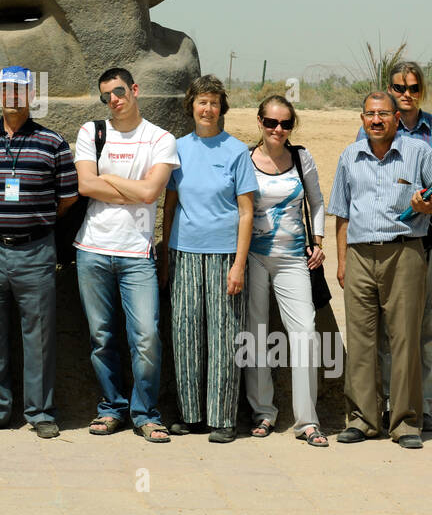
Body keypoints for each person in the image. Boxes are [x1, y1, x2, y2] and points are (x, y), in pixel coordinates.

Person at [329, 91, 432, 449]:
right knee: (361, 340)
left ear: (397, 118)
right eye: (370, 114)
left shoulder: (418, 153)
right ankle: (363, 419)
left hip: (405, 254)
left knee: (404, 339)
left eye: (384, 114)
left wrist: (429, 204)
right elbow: (341, 212)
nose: (376, 120)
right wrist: (342, 262)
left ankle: (405, 422)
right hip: (360, 256)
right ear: (362, 118)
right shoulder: (349, 157)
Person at [0, 66, 78, 439]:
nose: (13, 95)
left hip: (35, 252)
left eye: (21, 89)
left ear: (31, 94)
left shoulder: (53, 143)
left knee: (39, 334)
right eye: (7, 89)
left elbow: (67, 199)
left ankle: (40, 411)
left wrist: (32, 219)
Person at [356, 61, 432, 433]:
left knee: (425, 326)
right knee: (388, 328)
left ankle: (423, 405)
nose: (405, 95)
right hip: (386, 245)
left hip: (431, 238)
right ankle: (388, 404)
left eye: (413, 88)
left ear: (422, 91)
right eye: (398, 87)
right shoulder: (372, 125)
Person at [75, 67, 180, 443]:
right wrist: (132, 189)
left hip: (138, 254)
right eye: (106, 96)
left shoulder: (160, 139)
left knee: (146, 336)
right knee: (102, 336)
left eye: (118, 92)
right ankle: (110, 408)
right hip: (92, 250)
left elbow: (152, 193)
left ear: (134, 90)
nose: (113, 100)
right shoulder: (92, 132)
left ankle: (146, 413)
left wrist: (113, 181)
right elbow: (85, 184)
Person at [159, 75, 256, 444]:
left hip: (224, 255)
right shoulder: (177, 149)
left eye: (214, 102)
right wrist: (165, 256)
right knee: (184, 333)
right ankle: (191, 415)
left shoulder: (236, 152)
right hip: (184, 253)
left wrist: (239, 264)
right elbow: (169, 207)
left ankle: (223, 418)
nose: (208, 109)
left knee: (224, 336)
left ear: (222, 108)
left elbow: (246, 212)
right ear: (191, 106)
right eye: (202, 102)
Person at [243, 95, 328, 447]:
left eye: (286, 124)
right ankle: (263, 411)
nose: (278, 130)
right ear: (260, 122)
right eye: (271, 122)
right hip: (254, 258)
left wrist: (318, 241)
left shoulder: (301, 158)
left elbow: (318, 202)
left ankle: (307, 421)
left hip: (294, 258)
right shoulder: (245, 159)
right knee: (255, 333)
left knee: (305, 333)